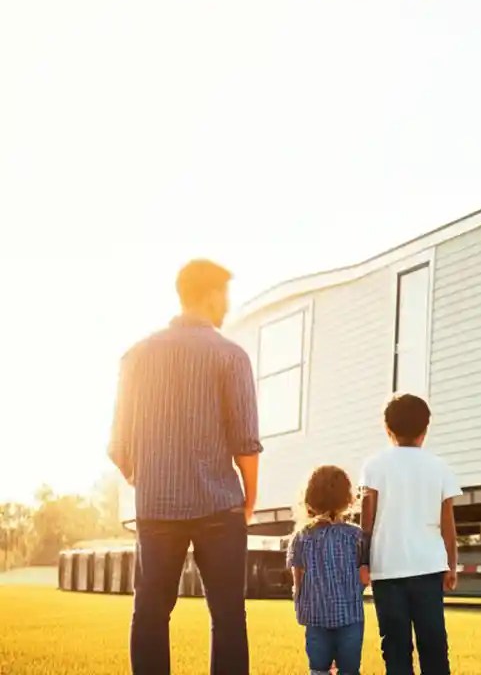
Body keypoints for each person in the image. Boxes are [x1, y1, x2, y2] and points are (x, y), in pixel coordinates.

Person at [108, 258, 262, 675]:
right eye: (225, 296)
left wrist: (149, 478)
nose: (227, 306)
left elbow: (118, 446)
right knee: (228, 617)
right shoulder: (231, 355)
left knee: (151, 614)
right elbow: (245, 441)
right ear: (211, 295)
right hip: (220, 507)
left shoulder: (135, 357)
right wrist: (249, 499)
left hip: (157, 507)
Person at [360, 393, 461, 675]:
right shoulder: (439, 467)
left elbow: (366, 523)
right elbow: (448, 525)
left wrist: (363, 563)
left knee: (395, 648)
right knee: (434, 645)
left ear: (387, 428)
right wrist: (451, 566)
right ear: (425, 430)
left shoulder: (373, 465)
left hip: (386, 570)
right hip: (429, 568)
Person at [287, 465, 370, 675]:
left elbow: (298, 582)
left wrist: (301, 607)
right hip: (350, 617)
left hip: (316, 619)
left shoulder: (301, 537)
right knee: (350, 670)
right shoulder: (356, 536)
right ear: (347, 499)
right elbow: (364, 578)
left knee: (318, 669)